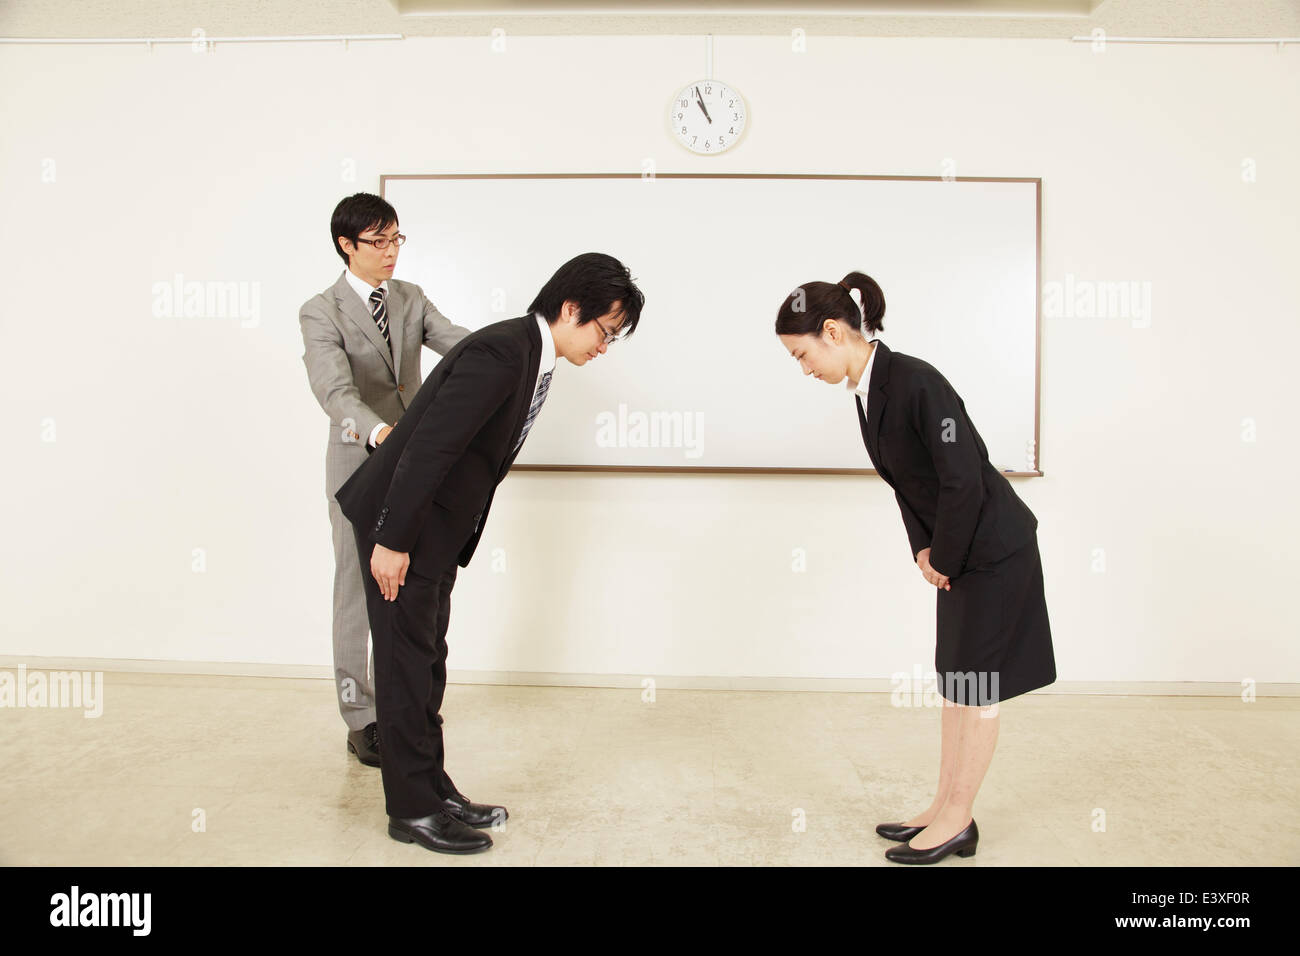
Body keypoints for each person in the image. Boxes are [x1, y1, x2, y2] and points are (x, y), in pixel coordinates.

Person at [335, 252, 645, 853]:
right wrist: (393, 541)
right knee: (404, 668)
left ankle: (433, 787)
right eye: (605, 332)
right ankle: (413, 812)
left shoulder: (530, 356)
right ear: (570, 307)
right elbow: (428, 449)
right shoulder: (501, 352)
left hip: (431, 532)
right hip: (398, 527)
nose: (604, 347)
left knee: (426, 663)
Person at [775, 271, 1056, 865]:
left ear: (832, 331)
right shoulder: (869, 392)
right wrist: (923, 551)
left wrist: (944, 556)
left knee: (977, 690)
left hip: (994, 553)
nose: (804, 370)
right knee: (957, 682)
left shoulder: (916, 382)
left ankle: (957, 819)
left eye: (803, 355)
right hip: (959, 555)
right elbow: (906, 483)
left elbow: (962, 478)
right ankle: (946, 808)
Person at [300, 193, 472, 769]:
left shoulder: (410, 298)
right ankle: (362, 719)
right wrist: (379, 436)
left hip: (417, 465)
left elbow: (459, 344)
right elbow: (334, 393)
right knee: (357, 588)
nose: (390, 251)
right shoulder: (320, 311)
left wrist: (517, 347)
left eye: (397, 238)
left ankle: (413, 703)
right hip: (358, 461)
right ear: (346, 246)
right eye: (378, 241)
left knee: (418, 583)